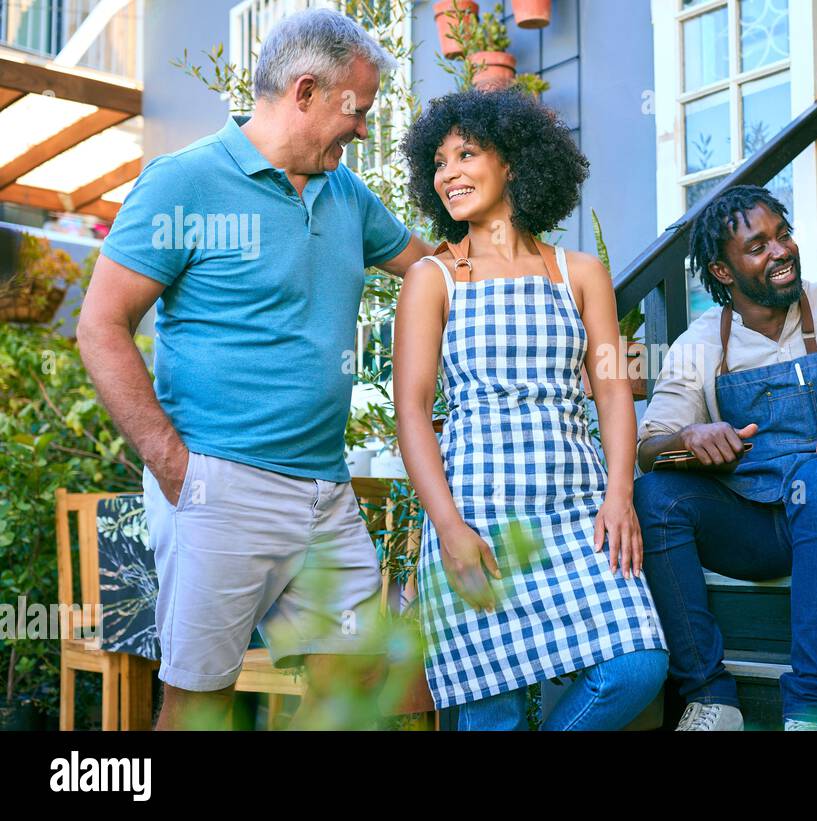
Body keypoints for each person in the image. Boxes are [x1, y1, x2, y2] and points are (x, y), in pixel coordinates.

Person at [78, 8, 435, 729]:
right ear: (305, 91)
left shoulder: (348, 196)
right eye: (357, 111)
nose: (364, 129)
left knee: (362, 685)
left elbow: (432, 270)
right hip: (219, 485)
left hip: (325, 490)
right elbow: (100, 326)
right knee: (199, 701)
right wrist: (173, 463)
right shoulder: (184, 182)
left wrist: (537, 277)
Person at [394, 89, 667, 731]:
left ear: (512, 161)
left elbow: (611, 391)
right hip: (476, 518)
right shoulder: (431, 279)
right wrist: (448, 529)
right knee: (493, 714)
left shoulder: (579, 273)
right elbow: (412, 413)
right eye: (438, 161)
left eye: (467, 153)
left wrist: (620, 494)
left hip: (579, 513)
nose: (449, 172)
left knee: (636, 667)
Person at [634, 185, 817, 730]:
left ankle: (812, 710)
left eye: (783, 235)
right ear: (723, 272)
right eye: (757, 246)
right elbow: (649, 449)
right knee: (653, 495)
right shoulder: (699, 344)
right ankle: (710, 699)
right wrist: (691, 438)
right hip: (752, 524)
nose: (780, 251)